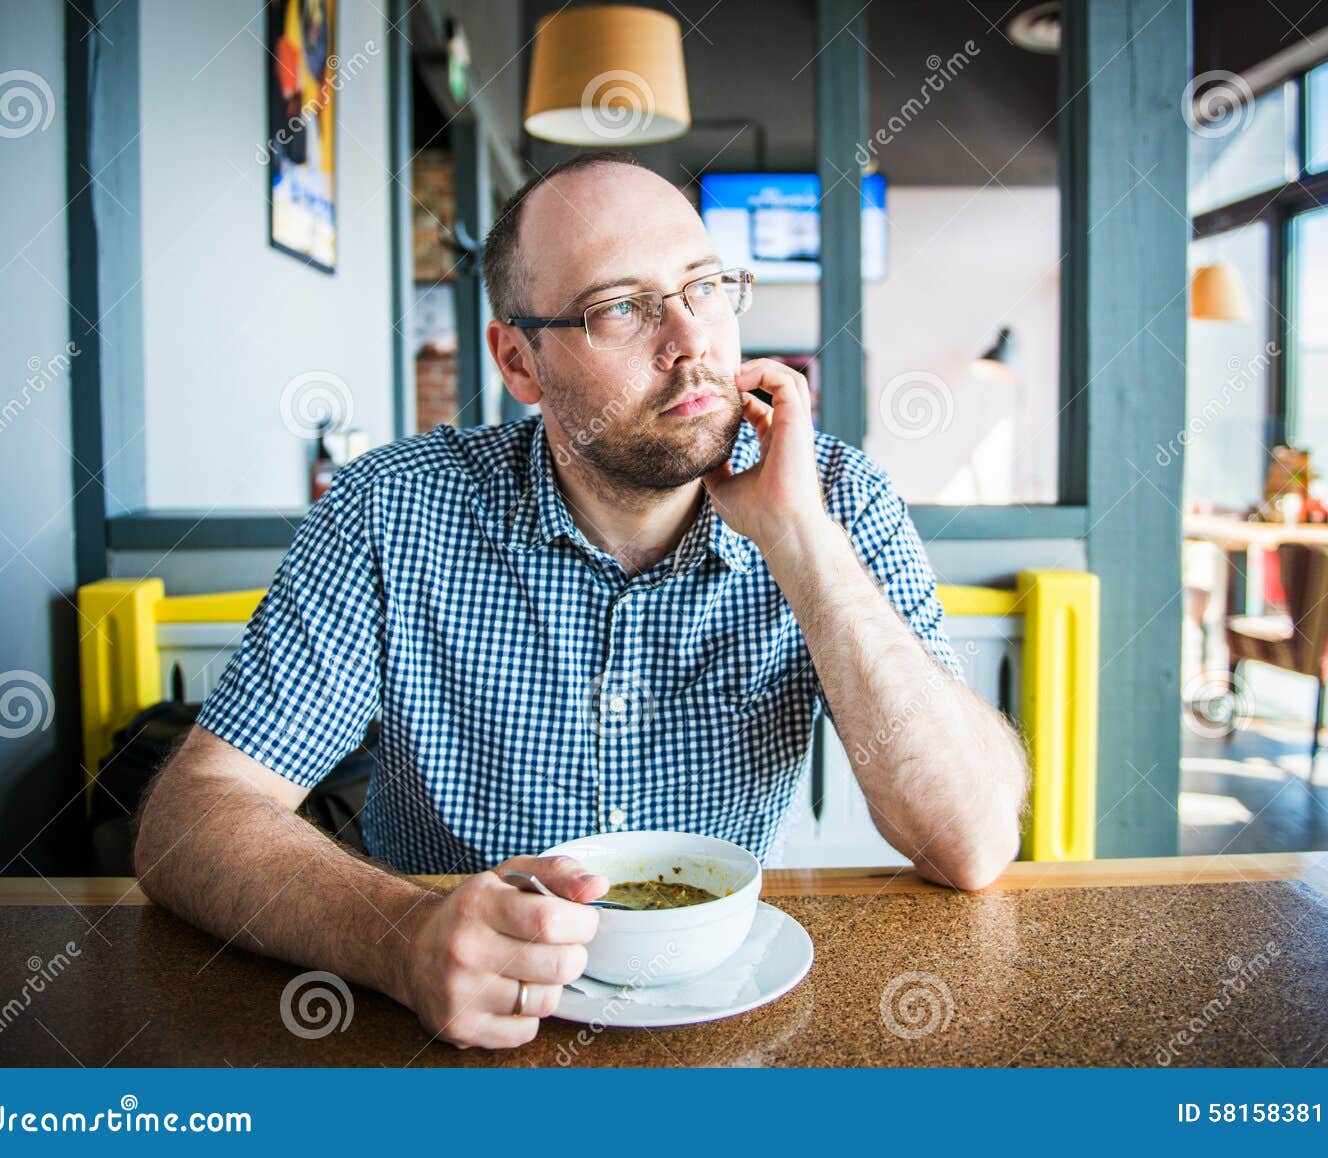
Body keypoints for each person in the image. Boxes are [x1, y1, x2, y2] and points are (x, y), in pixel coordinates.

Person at [135, 151, 1029, 1051]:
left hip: (717, 1024)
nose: (693, 343)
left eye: (705, 287)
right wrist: (400, 937)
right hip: (443, 1034)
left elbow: (971, 842)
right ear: (519, 360)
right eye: (622, 308)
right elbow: (192, 818)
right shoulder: (390, 509)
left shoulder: (838, 498)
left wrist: (799, 540)